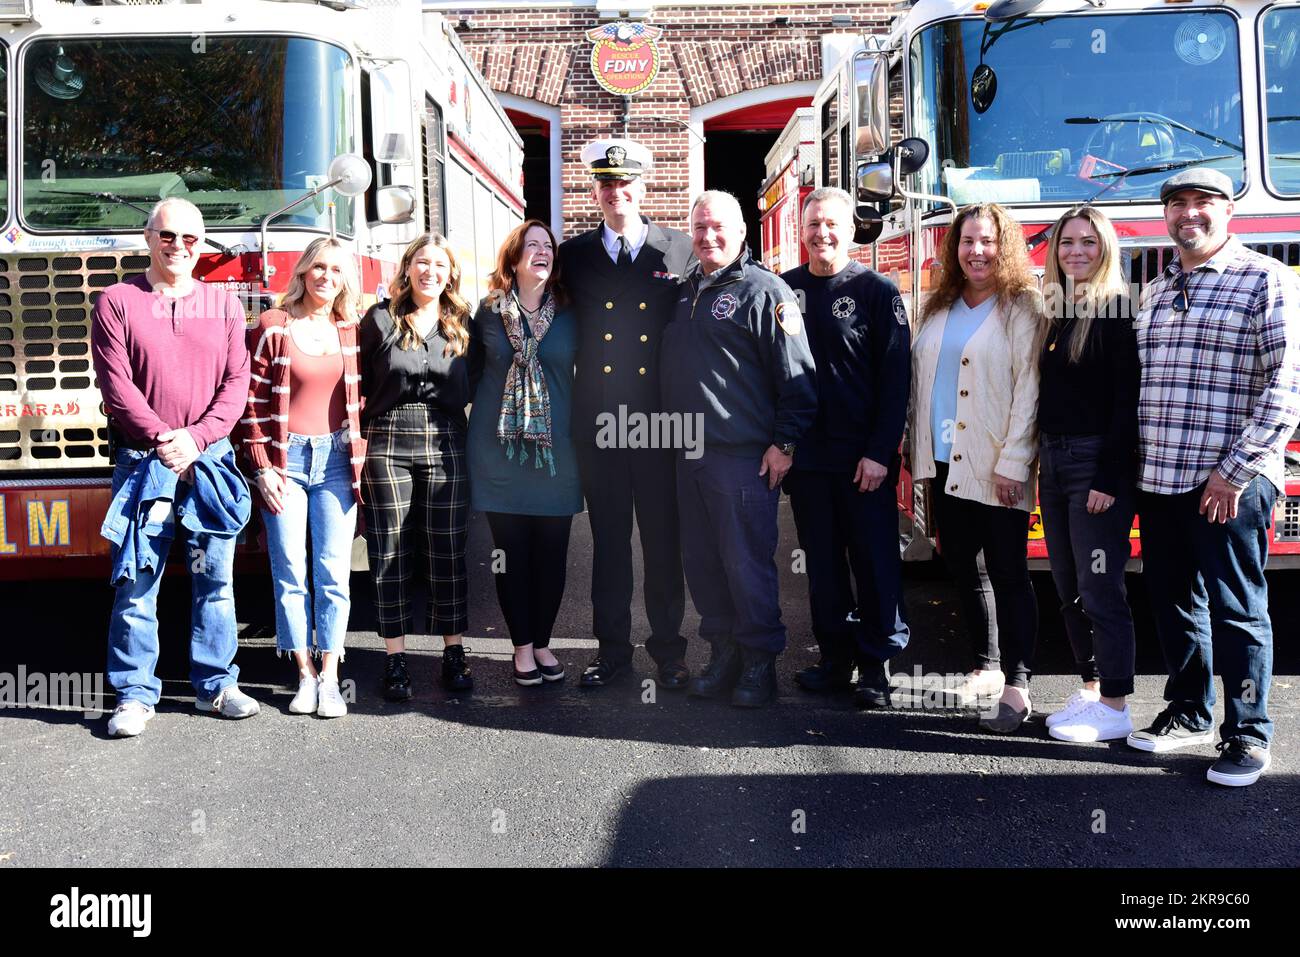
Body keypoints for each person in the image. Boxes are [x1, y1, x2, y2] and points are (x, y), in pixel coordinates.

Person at [1126, 169, 1300, 786]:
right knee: (1173, 603)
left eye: (1204, 203)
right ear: (1166, 217)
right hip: (1162, 477)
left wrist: (1231, 475)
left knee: (1238, 610)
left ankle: (1250, 734)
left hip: (1230, 485)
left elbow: (1286, 390)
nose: (1189, 214)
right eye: (1177, 204)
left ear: (1230, 211)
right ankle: (1190, 710)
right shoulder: (1154, 289)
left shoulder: (1266, 280)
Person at [91, 196, 256, 737]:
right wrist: (168, 440)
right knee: (137, 583)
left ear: (202, 243)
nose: (179, 246)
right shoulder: (116, 301)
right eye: (167, 236)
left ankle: (216, 685)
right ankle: (135, 695)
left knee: (216, 581)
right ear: (147, 238)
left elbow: (237, 384)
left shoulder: (226, 305)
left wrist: (198, 439)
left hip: (210, 462)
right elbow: (116, 388)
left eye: (190, 238)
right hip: (146, 463)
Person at [660, 190, 817, 708]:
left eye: (718, 227)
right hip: (688, 456)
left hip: (741, 459)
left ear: (743, 231)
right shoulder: (686, 292)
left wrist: (785, 444)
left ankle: (758, 662)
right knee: (703, 563)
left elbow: (798, 378)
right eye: (700, 227)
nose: (707, 236)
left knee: (746, 564)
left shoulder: (765, 292)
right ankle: (723, 652)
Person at [561, 138, 695, 690]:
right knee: (609, 544)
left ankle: (669, 652)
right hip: (600, 425)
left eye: (626, 183)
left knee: (664, 543)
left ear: (645, 187)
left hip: (661, 426)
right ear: (595, 191)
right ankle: (612, 650)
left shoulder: (680, 249)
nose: (617, 193)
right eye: (606, 184)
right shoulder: (574, 255)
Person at [909, 202, 1044, 733]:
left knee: (1010, 571)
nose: (977, 251)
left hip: (996, 465)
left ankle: (1018, 683)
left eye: (987, 241)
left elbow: (1030, 392)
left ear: (1004, 246)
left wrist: (1015, 462)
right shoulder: (940, 304)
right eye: (967, 242)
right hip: (945, 462)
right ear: (954, 248)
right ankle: (984, 667)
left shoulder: (1023, 307)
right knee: (963, 564)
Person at [780, 187, 911, 710]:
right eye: (812, 224)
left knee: (875, 562)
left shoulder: (879, 293)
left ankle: (876, 665)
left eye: (831, 223)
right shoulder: (783, 290)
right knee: (824, 567)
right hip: (809, 461)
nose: (821, 233)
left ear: (851, 229)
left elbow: (896, 380)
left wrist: (880, 453)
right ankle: (834, 659)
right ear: (802, 230)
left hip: (865, 463)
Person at [240, 238, 364, 719]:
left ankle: (332, 677)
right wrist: (263, 466)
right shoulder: (275, 327)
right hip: (285, 459)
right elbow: (250, 404)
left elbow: (365, 400)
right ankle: (304, 675)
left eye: (335, 269)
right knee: (289, 570)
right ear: (303, 271)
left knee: (333, 571)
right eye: (317, 267)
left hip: (336, 459)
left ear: (344, 279)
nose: (325, 276)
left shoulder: (352, 331)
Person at [1036, 207, 1140, 743]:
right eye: (1068, 242)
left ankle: (1117, 706)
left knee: (1101, 586)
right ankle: (1093, 689)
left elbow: (1128, 404)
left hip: (1093, 465)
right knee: (1067, 584)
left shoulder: (1118, 309)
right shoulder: (1057, 308)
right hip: (1053, 463)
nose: (1076, 251)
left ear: (1106, 249)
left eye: (1089, 243)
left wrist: (1108, 478)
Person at [359, 233, 476, 700]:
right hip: (388, 439)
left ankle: (453, 653)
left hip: (448, 438)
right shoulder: (379, 318)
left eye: (440, 265)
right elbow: (359, 380)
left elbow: (481, 379)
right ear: (407, 267)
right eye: (422, 262)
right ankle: (395, 660)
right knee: (390, 552)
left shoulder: (463, 321)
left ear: (451, 274)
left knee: (447, 550)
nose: (431, 271)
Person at [468, 220, 582, 686]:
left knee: (553, 555)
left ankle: (542, 642)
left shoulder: (573, 314)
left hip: (557, 455)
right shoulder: (486, 313)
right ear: (513, 260)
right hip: (498, 453)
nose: (542, 251)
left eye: (548, 246)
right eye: (531, 245)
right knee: (511, 554)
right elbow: (468, 374)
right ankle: (520, 648)